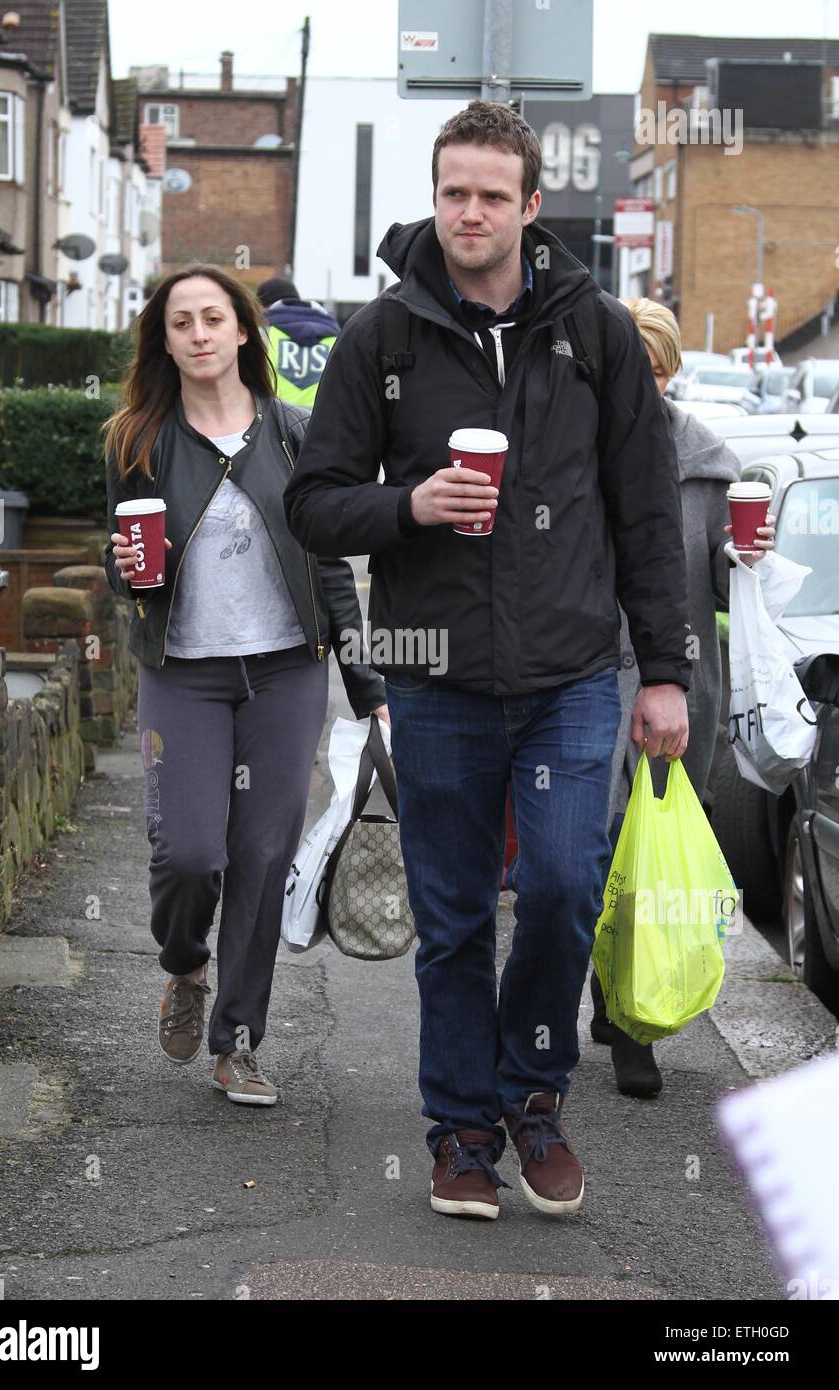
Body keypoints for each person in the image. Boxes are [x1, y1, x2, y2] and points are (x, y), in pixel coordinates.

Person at [284, 100, 691, 1221]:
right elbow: (314, 504)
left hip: (570, 674)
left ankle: (535, 1094)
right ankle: (461, 1130)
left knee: (561, 890)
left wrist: (665, 671)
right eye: (454, 192)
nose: (470, 213)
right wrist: (409, 504)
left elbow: (648, 509)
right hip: (436, 675)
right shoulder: (384, 334)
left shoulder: (596, 330)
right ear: (435, 195)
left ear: (529, 206)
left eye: (492, 196)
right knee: (456, 917)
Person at [102, 263, 387, 1105]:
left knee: (261, 857)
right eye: (179, 322)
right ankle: (185, 962)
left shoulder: (298, 436)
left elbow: (330, 564)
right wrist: (125, 574)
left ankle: (237, 1040)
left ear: (241, 333)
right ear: (165, 339)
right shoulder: (135, 442)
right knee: (189, 853)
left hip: (284, 672)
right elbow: (128, 572)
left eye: (212, 319)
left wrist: (366, 683)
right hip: (184, 672)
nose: (196, 334)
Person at [589, 297, 776, 1098]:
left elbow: (720, 577)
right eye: (631, 363)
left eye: (656, 368)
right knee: (592, 848)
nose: (644, 381)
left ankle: (633, 1012)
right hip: (589, 674)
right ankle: (617, 1009)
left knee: (659, 853)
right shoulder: (571, 450)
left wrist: (744, 553)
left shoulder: (706, 459)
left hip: (680, 682)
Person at [256, 277, 340, 407]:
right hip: (322, 421)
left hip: (276, 420)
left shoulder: (263, 334)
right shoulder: (335, 336)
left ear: (262, 307)